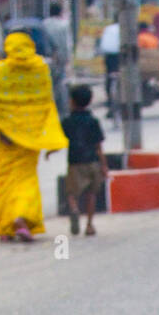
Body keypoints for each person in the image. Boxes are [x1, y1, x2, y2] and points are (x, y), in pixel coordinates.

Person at [0, 31, 68, 242]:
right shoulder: (41, 69)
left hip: (0, 136)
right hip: (29, 136)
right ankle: (21, 218)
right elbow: (46, 102)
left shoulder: (0, 70)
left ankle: (5, 226)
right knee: (25, 178)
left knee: (1, 180)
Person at [61, 84, 107, 237]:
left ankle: (74, 209)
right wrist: (104, 166)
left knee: (72, 193)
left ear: (72, 101)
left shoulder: (67, 122)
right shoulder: (93, 121)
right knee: (91, 194)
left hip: (75, 162)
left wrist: (50, 151)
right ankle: (89, 225)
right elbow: (99, 146)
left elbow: (59, 140)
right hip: (93, 161)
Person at [43, 0, 71, 117]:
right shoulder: (63, 25)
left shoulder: (43, 24)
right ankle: (60, 112)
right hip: (59, 60)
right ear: (60, 12)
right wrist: (66, 60)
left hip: (46, 59)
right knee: (59, 86)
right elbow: (65, 44)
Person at [98, 19, 120, 112]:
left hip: (109, 56)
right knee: (121, 77)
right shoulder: (124, 28)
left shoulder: (108, 28)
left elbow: (103, 45)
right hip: (119, 56)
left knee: (109, 77)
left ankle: (109, 99)